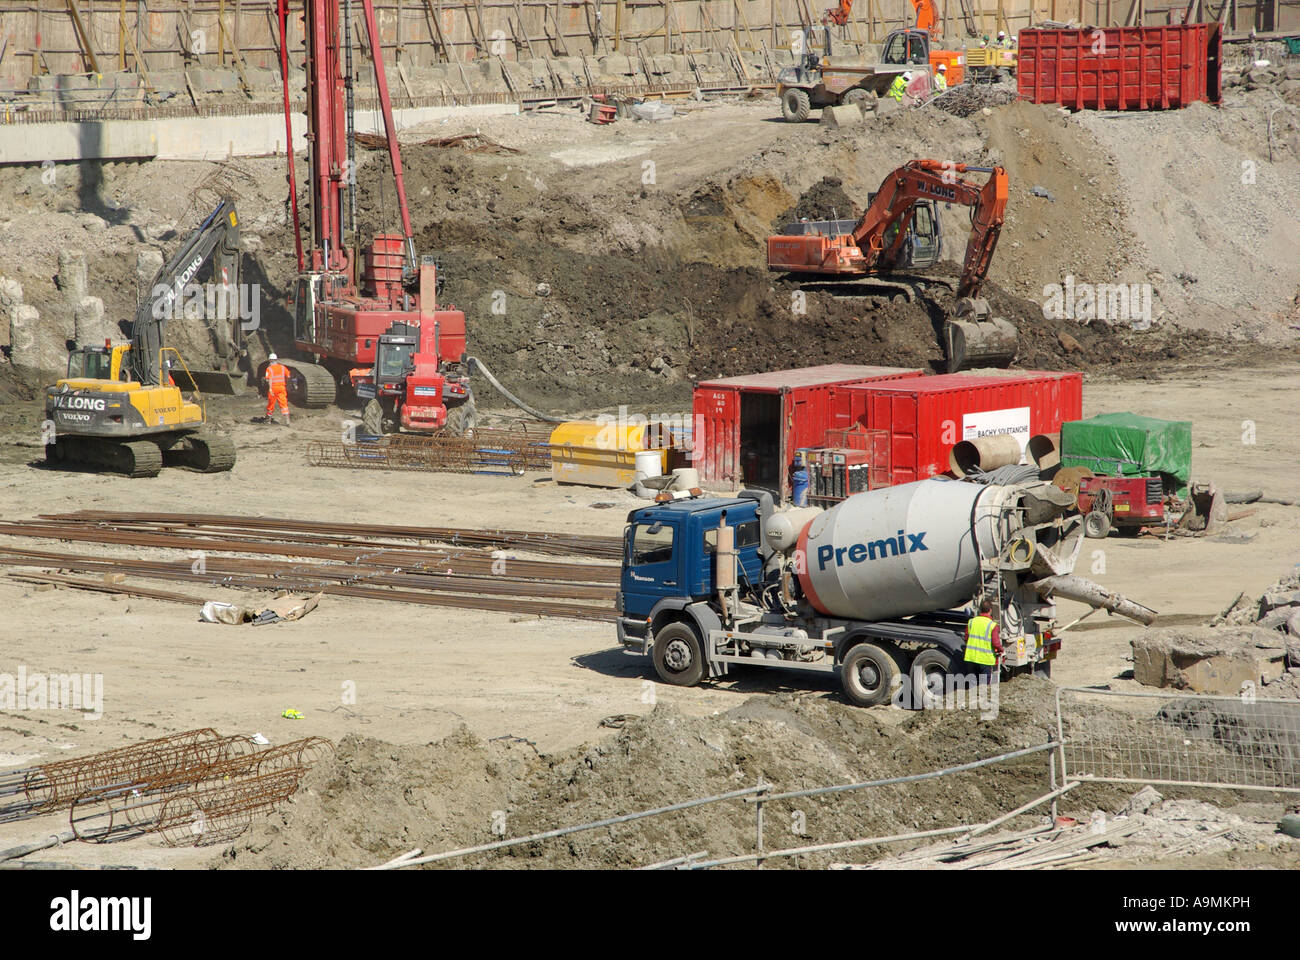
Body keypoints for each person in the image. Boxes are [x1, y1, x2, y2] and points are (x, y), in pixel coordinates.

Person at [963, 598, 1003, 683]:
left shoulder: (971, 621)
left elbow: (966, 638)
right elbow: (995, 643)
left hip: (971, 658)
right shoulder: (992, 625)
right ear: (990, 610)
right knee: (983, 686)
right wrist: (1001, 650)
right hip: (985, 659)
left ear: (980, 609)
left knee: (972, 684)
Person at [263, 353, 291, 425]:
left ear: (270, 360)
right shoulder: (282, 367)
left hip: (273, 388)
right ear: (276, 360)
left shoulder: (269, 369)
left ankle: (268, 420)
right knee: (283, 403)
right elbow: (288, 376)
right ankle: (287, 420)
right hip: (282, 388)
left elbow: (269, 379)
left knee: (271, 404)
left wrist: (270, 388)